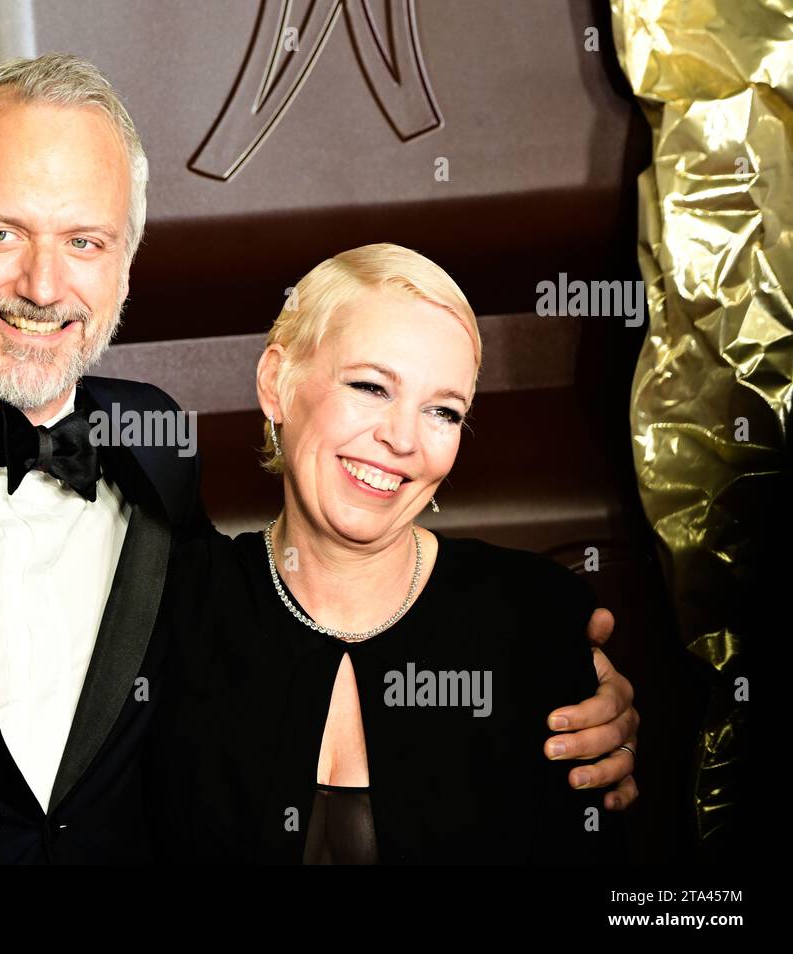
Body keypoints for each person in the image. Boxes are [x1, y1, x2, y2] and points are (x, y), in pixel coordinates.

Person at [0, 56, 637, 865]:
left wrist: (577, 699)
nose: (45, 285)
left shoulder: (150, 443)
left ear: (127, 261)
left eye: (84, 241)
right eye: (1, 233)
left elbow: (287, 651)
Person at [149, 245, 632, 863]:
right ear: (276, 383)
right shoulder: (169, 605)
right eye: (370, 386)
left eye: (443, 411)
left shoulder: (534, 615)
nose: (402, 439)